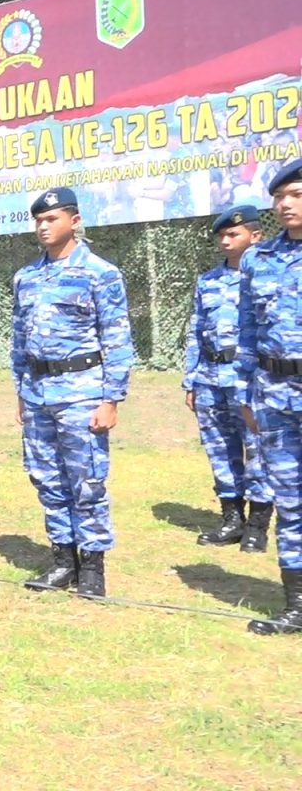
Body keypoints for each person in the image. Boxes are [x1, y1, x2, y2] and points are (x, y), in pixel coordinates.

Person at [12, 188, 132, 598]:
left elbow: (117, 339)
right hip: (38, 391)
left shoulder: (100, 273)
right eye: (39, 221)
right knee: (46, 477)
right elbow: (19, 340)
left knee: (87, 479)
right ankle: (64, 560)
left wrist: (111, 399)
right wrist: (21, 392)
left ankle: (93, 565)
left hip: (82, 391)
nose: (43, 227)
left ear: (75, 221)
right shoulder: (26, 277)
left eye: (52, 219)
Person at [238, 158, 302, 634]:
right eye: (279, 197)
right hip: (275, 394)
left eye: (296, 195)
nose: (285, 204)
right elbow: (246, 331)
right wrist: (246, 391)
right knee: (290, 500)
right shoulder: (259, 259)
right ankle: (296, 606)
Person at [185, 205, 272, 550]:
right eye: (221, 235)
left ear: (256, 236)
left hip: (250, 378)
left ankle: (258, 526)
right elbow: (196, 331)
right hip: (210, 378)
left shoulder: (266, 279)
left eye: (233, 234)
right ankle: (232, 520)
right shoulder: (208, 281)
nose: (225, 240)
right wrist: (191, 379)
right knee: (220, 449)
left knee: (258, 450)